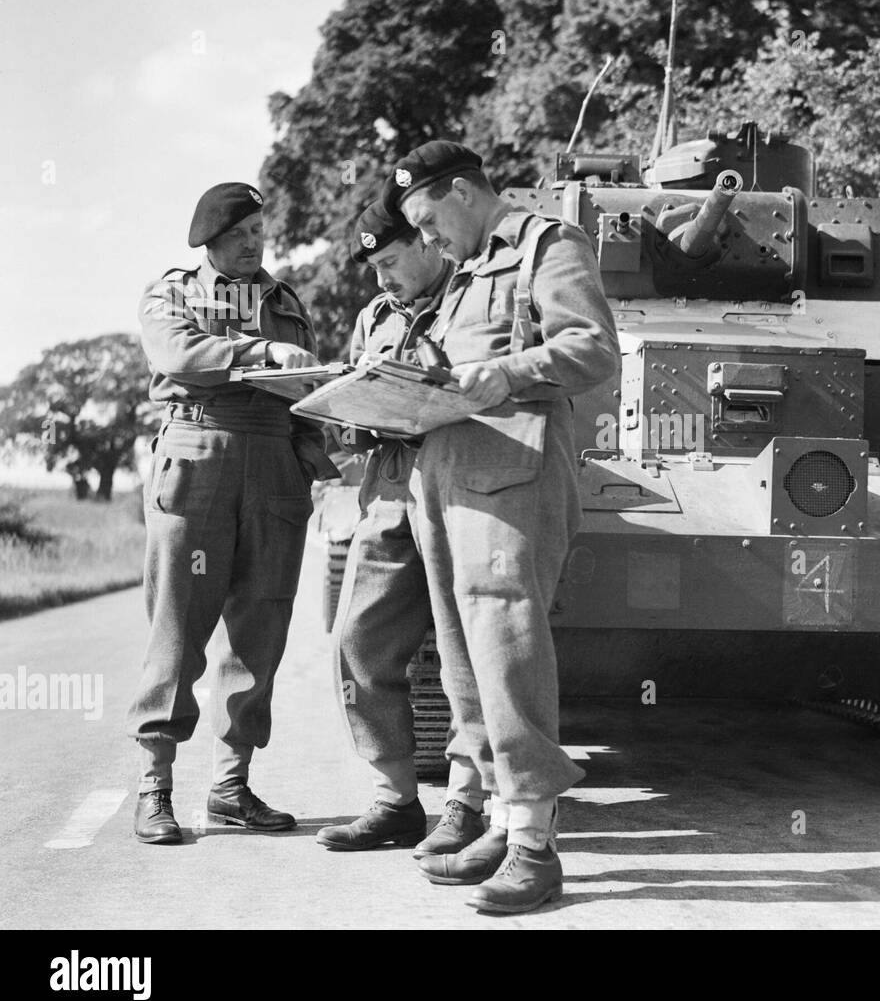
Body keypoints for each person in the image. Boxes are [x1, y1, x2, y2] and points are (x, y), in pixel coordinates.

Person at [383, 140, 619, 913]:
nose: (427, 241)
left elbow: (591, 348)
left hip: (512, 479)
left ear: (460, 192)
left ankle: (535, 847)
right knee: (463, 664)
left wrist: (510, 372)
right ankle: (498, 815)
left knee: (508, 652)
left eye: (427, 221)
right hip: (445, 480)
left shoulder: (546, 246)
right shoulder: (462, 273)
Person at [128, 182, 339, 844]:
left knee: (260, 629)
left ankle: (230, 785)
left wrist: (318, 458)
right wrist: (261, 353)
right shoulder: (174, 292)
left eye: (260, 230)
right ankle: (154, 786)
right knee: (178, 629)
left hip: (276, 465)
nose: (257, 242)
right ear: (209, 237)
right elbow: (178, 355)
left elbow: (307, 390)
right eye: (244, 232)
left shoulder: (286, 300)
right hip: (199, 454)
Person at [315, 200, 479, 852]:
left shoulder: (472, 296)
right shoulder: (375, 318)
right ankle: (396, 797)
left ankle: (467, 799)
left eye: (389, 262)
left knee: (466, 649)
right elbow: (361, 401)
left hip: (460, 486)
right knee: (358, 638)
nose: (381, 279)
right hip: (387, 489)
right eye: (373, 268)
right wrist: (347, 412)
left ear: (426, 243)